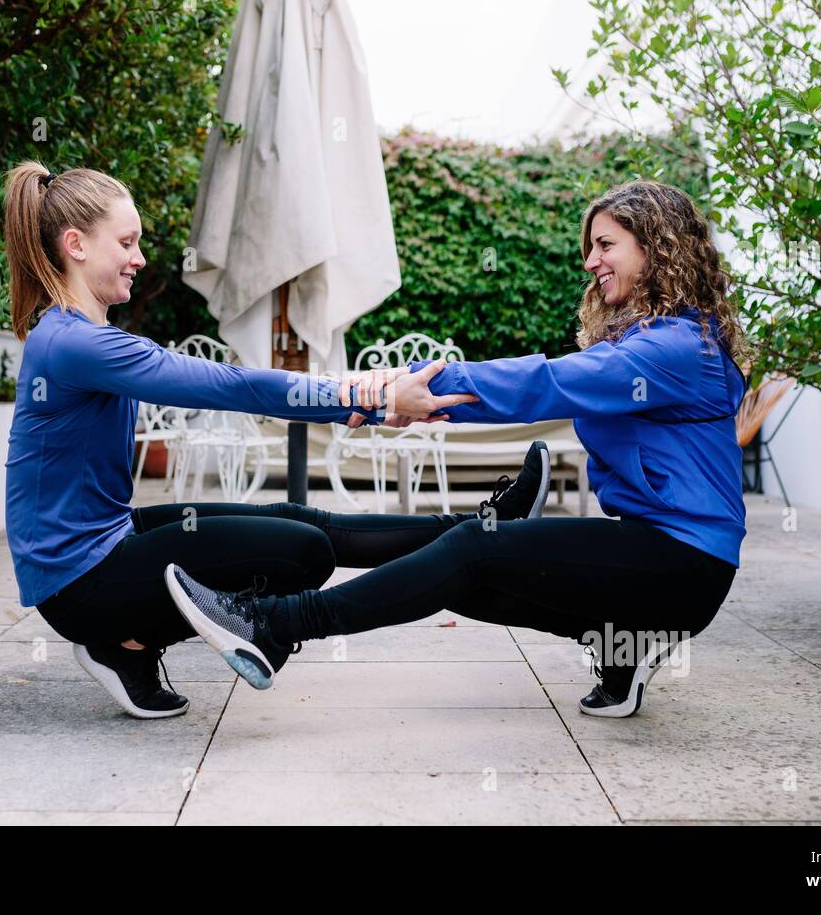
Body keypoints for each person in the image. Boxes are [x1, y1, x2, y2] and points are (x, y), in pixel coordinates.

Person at [166, 179, 751, 717]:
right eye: (590, 246)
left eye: (606, 245)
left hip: (682, 564)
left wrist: (415, 387)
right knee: (456, 564)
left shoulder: (674, 349)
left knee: (471, 550)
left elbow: (543, 383)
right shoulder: (660, 339)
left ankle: (274, 627)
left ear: (657, 246)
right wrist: (400, 392)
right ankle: (620, 643)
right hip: (657, 556)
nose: (590, 261)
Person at [1, 161, 487, 719]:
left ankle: (478, 528)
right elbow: (233, 385)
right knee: (303, 554)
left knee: (300, 521)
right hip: (81, 584)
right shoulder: (74, 343)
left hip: (107, 541)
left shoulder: (81, 335)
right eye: (127, 242)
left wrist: (359, 398)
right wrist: (368, 398)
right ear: (76, 245)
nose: (139, 258)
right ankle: (124, 640)